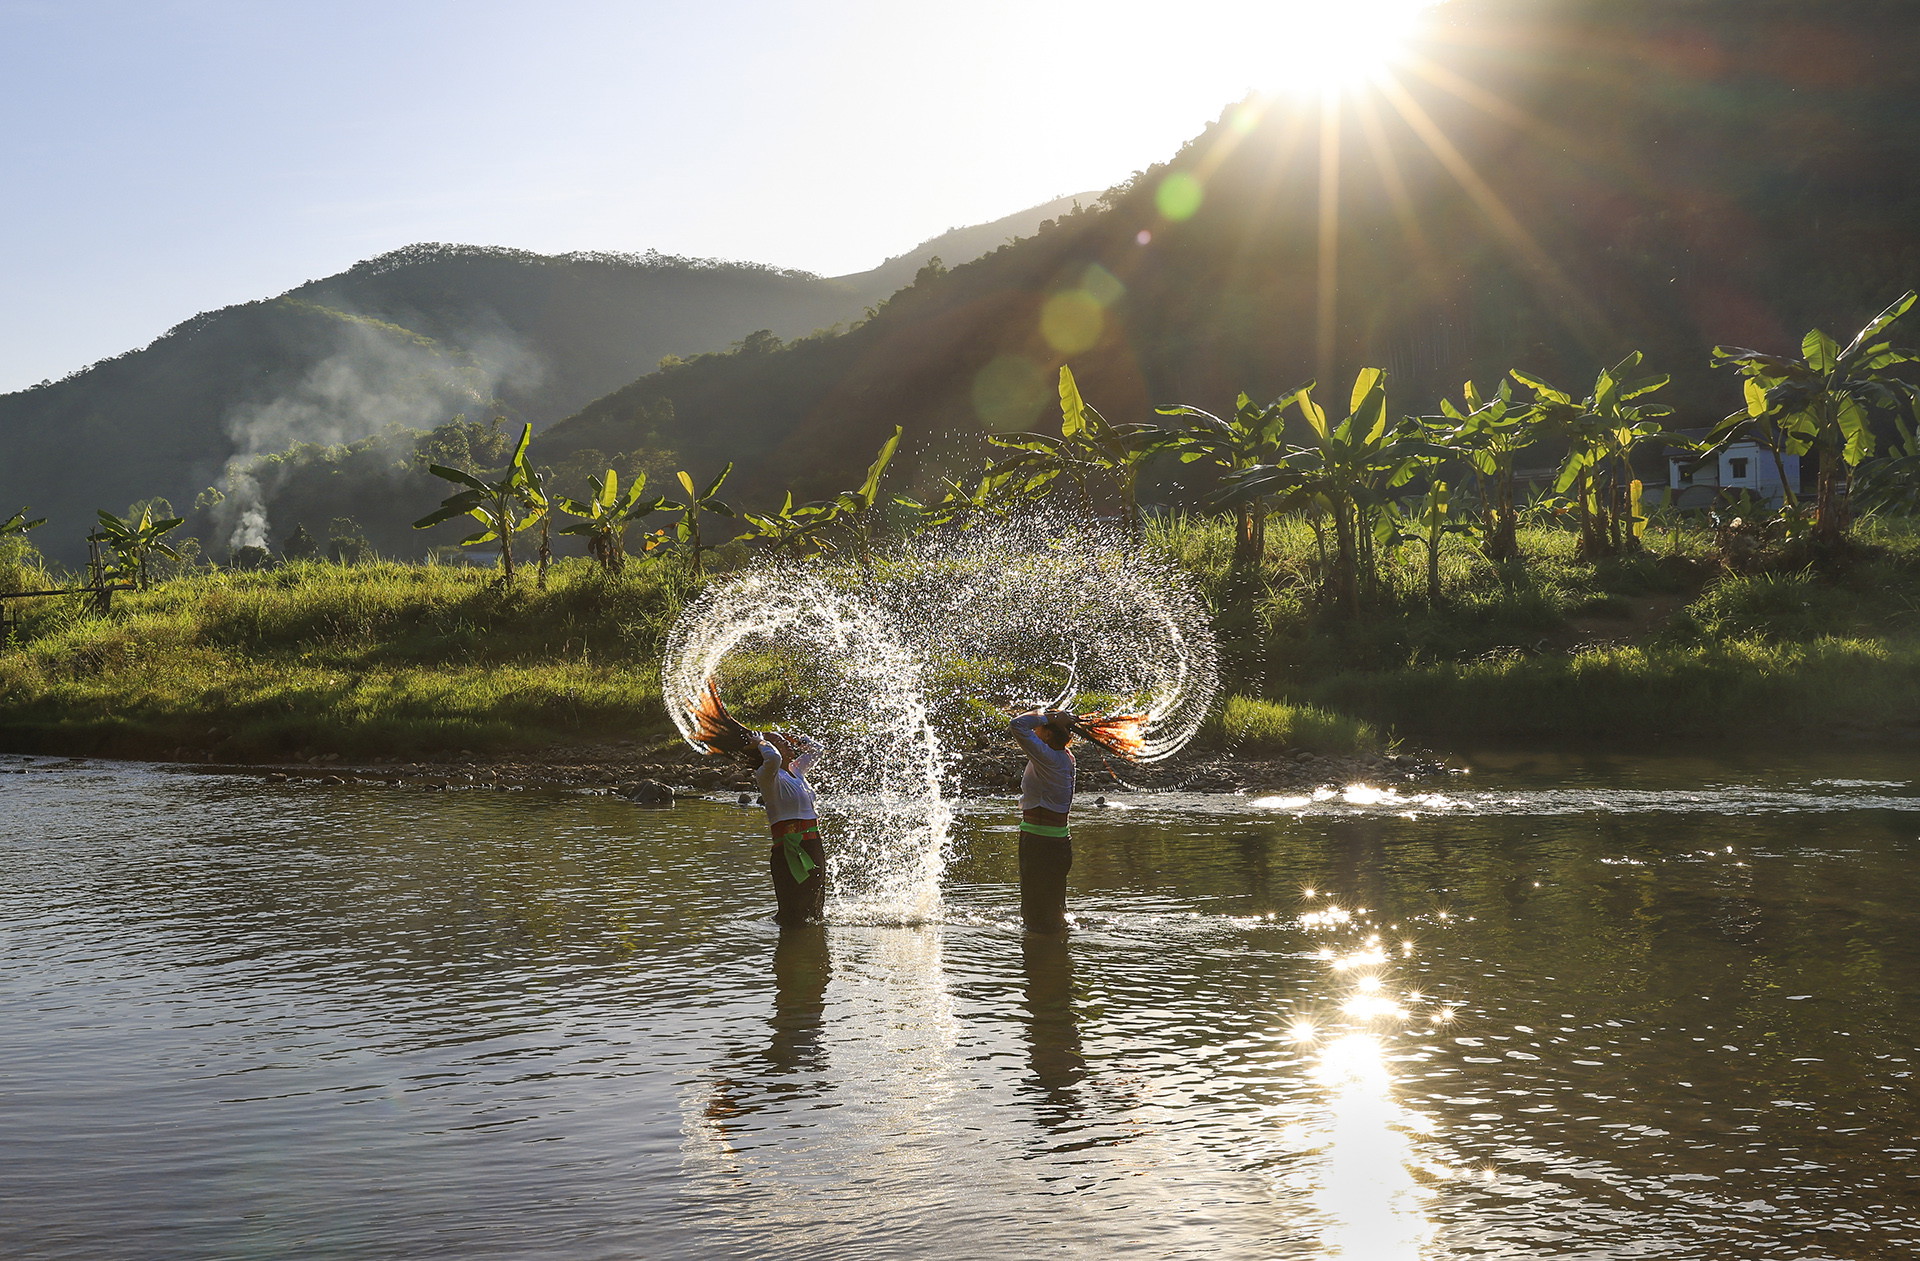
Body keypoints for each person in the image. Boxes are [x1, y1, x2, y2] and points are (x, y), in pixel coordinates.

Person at [1009, 708, 1077, 933]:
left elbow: (1018, 724)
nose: (1035, 729)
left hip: (1040, 843)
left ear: (1048, 735)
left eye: (1041, 727)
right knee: (1053, 914)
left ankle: (1041, 962)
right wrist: (1052, 719)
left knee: (1036, 920)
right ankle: (1057, 961)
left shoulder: (1048, 757)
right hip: (1057, 843)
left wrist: (1050, 717)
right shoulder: (1065, 756)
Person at [753, 728, 829, 926]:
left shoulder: (796, 770)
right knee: (793, 912)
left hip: (813, 845)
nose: (786, 744)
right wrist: (761, 742)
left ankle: (815, 952)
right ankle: (792, 949)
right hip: (789, 850)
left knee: (816, 906)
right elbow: (773, 759)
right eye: (780, 742)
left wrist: (798, 739)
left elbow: (818, 751)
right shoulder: (767, 775)